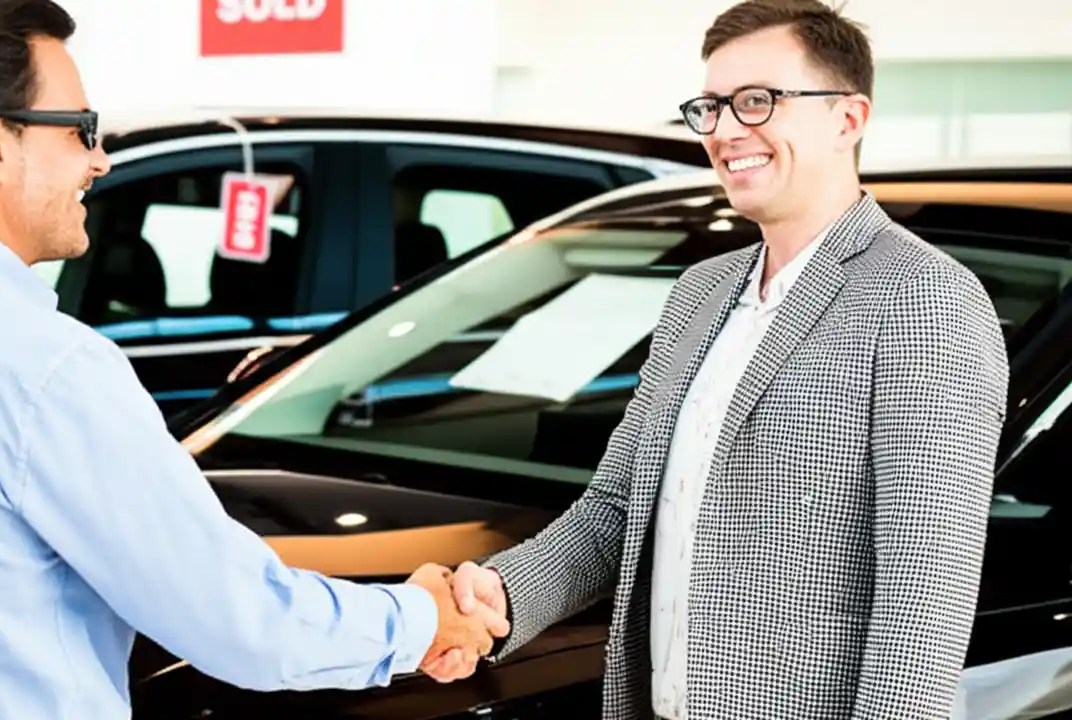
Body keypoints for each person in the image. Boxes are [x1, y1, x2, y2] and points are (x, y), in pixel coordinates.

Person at [0, 1, 505, 717]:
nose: (98, 160)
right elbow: (237, 619)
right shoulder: (42, 366)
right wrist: (419, 620)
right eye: (80, 129)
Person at [424, 1, 1011, 718]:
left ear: (848, 119)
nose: (728, 131)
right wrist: (498, 596)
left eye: (759, 102)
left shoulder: (922, 298)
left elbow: (925, 596)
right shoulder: (700, 293)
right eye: (713, 106)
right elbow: (614, 511)